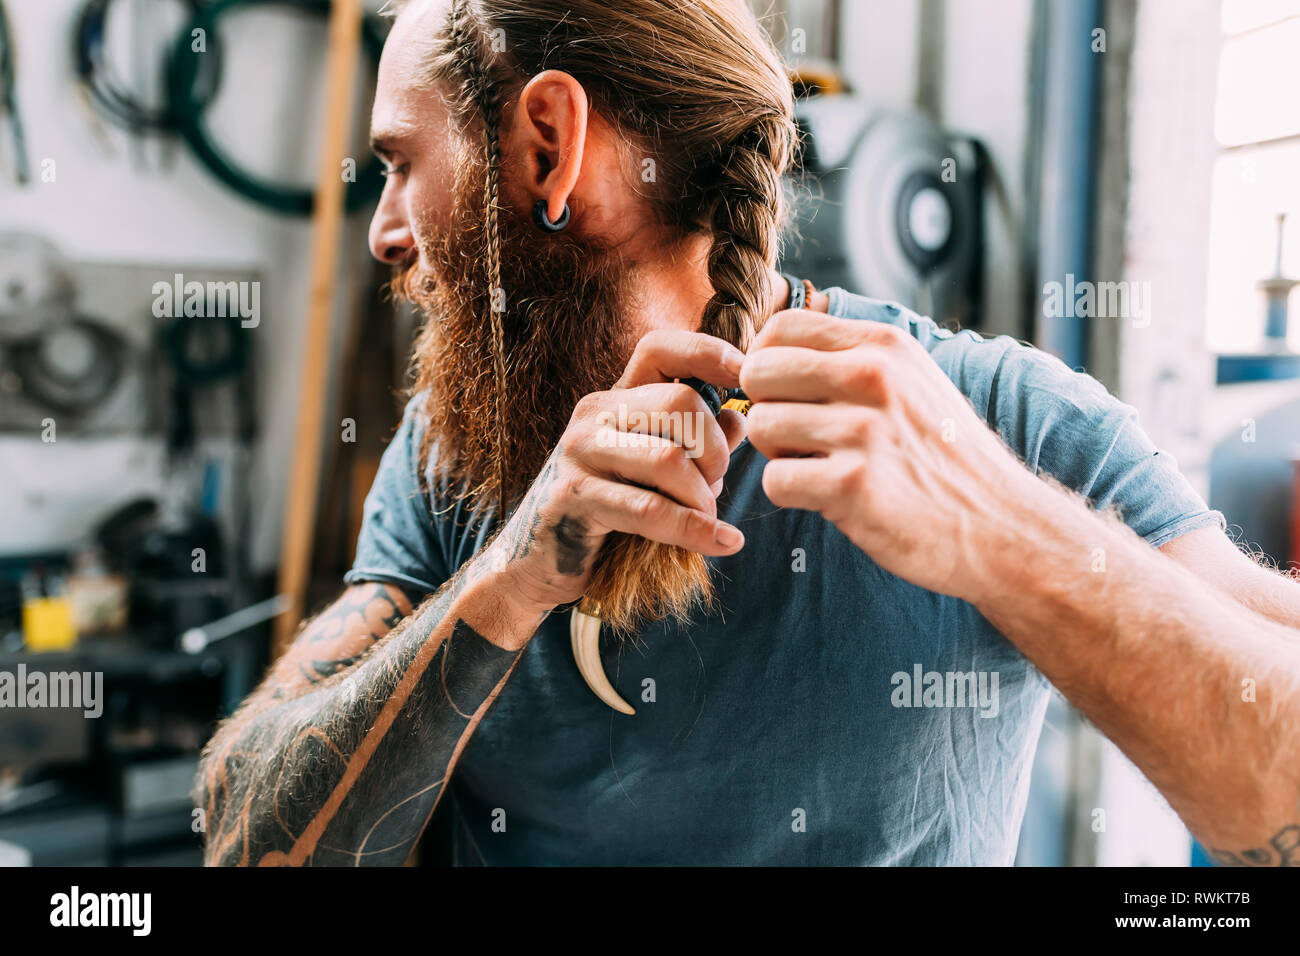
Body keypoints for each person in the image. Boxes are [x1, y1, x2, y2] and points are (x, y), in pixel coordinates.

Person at [193, 0, 1300, 866]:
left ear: (546, 145)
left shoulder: (991, 416)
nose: (384, 231)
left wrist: (1004, 531)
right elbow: (247, 840)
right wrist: (509, 575)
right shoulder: (448, 453)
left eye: (399, 160)